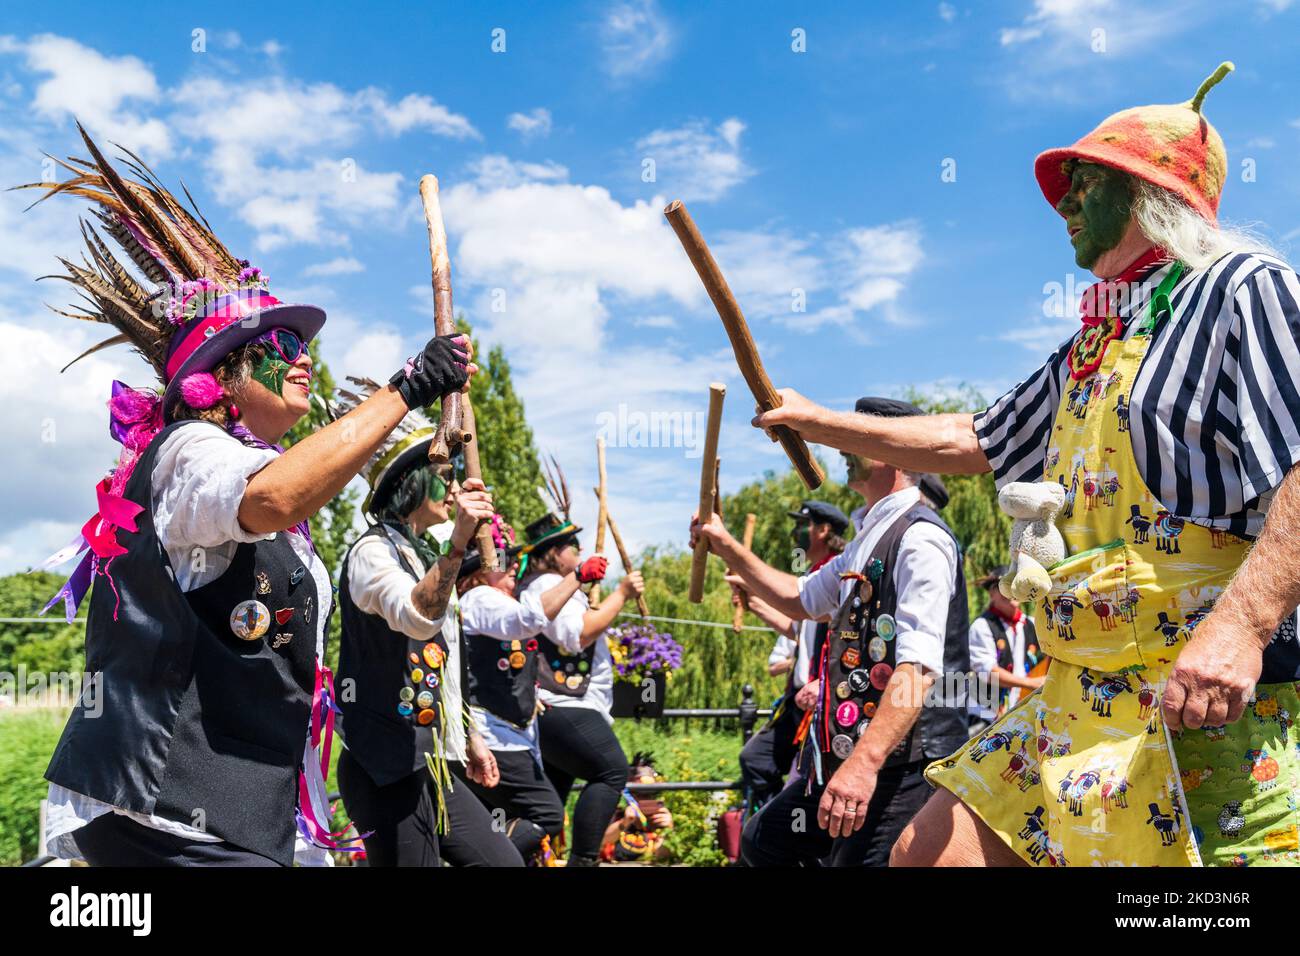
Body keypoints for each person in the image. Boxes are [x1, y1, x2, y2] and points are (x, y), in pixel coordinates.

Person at [753, 63, 1300, 868]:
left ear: (1152, 197)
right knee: (926, 859)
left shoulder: (1243, 290)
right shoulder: (1093, 342)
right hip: (1076, 691)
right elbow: (972, 439)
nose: (1065, 203)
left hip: (1195, 694)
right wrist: (817, 419)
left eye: (1086, 183)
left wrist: (1243, 627)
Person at [34, 128, 474, 866]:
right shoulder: (190, 451)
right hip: (164, 813)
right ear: (223, 377)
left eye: (304, 348)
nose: (304, 361)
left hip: (244, 814)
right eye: (281, 350)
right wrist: (407, 390)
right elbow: (271, 499)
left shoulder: (240, 461)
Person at [694, 398, 970, 866]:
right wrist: (727, 548)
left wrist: (863, 766)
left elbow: (917, 670)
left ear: (896, 451)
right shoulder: (866, 540)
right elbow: (799, 598)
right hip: (855, 752)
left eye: (860, 436)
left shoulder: (922, 539)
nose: (845, 446)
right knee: (766, 840)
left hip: (905, 763)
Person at [333, 381, 523, 867]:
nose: (455, 486)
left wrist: (472, 739)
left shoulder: (422, 554)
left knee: (502, 862)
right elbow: (418, 618)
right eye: (444, 475)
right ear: (411, 482)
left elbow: (444, 665)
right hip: (385, 768)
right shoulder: (371, 552)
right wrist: (458, 542)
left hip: (430, 761)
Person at [456, 533, 608, 860]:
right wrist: (577, 577)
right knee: (547, 814)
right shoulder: (479, 597)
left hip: (512, 734)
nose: (512, 566)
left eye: (512, 560)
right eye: (500, 562)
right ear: (476, 575)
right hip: (490, 734)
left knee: (499, 820)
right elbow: (528, 620)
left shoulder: (496, 602)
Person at [517, 512, 646, 867]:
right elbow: (578, 636)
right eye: (573, 546)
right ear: (556, 553)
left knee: (549, 809)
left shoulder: (561, 589)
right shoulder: (544, 587)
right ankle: (584, 861)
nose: (580, 551)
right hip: (562, 704)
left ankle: (502, 854)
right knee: (611, 771)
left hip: (572, 703)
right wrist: (621, 593)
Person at [733, 500, 848, 806]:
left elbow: (848, 639)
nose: (797, 532)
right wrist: (752, 601)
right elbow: (797, 628)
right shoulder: (815, 574)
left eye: (803, 526)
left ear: (823, 531)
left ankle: (790, 841)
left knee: (811, 780)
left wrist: (825, 681)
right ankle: (769, 833)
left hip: (821, 700)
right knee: (757, 759)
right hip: (797, 700)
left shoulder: (840, 573)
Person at [967, 566, 1045, 735]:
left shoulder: (1033, 624)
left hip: (1021, 716)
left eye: (1014, 585)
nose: (1010, 591)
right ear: (992, 593)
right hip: (985, 719)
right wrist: (1032, 684)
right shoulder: (981, 627)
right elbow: (988, 672)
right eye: (1003, 586)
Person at [598, 752, 675, 864]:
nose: (644, 798)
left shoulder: (660, 818)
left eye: (649, 794)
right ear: (628, 794)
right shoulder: (616, 815)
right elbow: (600, 842)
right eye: (638, 793)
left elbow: (662, 856)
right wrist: (624, 822)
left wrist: (669, 829)